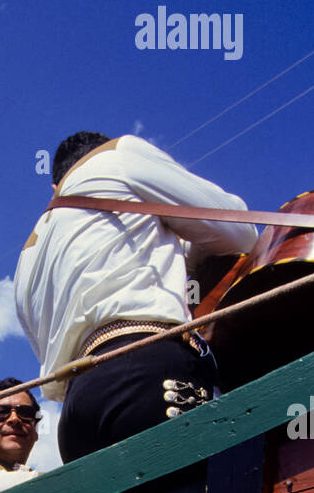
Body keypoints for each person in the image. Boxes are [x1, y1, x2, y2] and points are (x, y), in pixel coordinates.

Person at [14, 131, 259, 462]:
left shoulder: (26, 257)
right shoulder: (117, 154)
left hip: (75, 413)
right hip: (148, 376)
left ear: (54, 186)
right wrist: (182, 243)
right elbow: (237, 229)